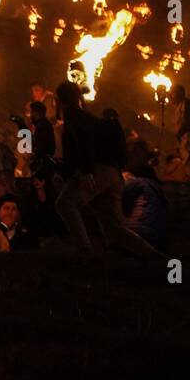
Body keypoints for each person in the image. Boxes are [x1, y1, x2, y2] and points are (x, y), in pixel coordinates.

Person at [54, 81, 162, 259]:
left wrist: (87, 171)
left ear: (58, 100)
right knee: (115, 229)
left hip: (98, 171)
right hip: (113, 174)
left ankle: (84, 252)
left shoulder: (72, 114)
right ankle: (155, 258)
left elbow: (83, 143)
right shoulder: (86, 117)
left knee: (65, 203)